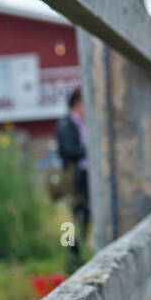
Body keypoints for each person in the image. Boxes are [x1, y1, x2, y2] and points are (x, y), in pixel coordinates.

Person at [57, 87, 90, 270]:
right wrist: (87, 150)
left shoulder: (81, 124)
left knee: (84, 215)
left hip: (83, 175)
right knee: (68, 218)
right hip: (72, 178)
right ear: (77, 103)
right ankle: (70, 255)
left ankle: (79, 252)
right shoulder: (66, 125)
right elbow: (67, 150)